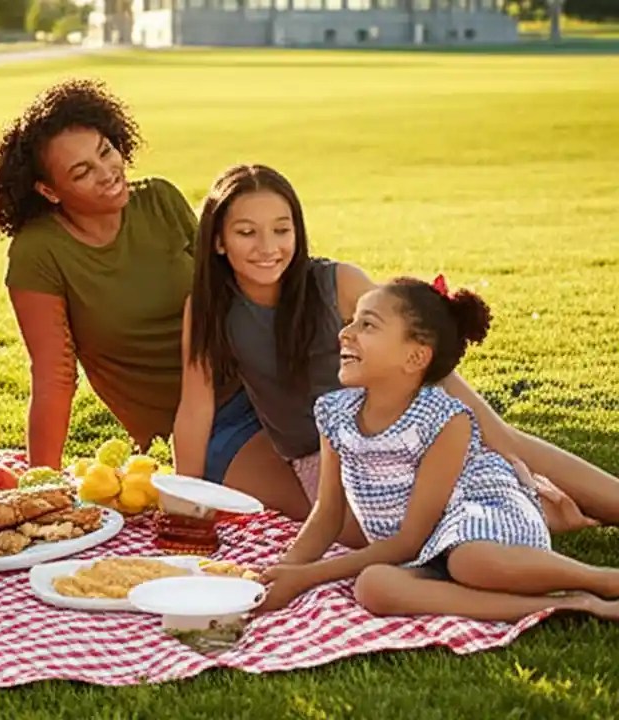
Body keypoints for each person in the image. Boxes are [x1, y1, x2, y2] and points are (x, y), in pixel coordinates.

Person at [175, 163, 619, 537]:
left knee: (510, 449)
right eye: (247, 232)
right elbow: (196, 408)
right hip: (326, 459)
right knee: (376, 536)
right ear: (218, 240)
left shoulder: (336, 284)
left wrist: (501, 440)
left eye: (281, 229)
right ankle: (550, 512)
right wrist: (182, 501)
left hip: (410, 427)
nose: (268, 247)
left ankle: (583, 500)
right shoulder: (210, 309)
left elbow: (426, 361)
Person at [0, 79, 280, 509]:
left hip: (268, 384)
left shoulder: (160, 200)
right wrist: (41, 486)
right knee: (330, 510)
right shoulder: (39, 252)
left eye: (105, 151)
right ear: (49, 191)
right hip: (205, 426)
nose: (107, 173)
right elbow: (55, 374)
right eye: (81, 172)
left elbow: (236, 291)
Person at [257, 277, 619, 621]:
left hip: (482, 517)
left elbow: (409, 541)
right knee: (373, 587)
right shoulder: (334, 414)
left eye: (367, 325)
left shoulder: (445, 419)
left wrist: (308, 577)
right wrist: (284, 571)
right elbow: (327, 515)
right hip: (425, 552)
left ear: (415, 358)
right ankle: (571, 604)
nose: (344, 333)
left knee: (469, 561)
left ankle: (601, 580)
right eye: (351, 322)